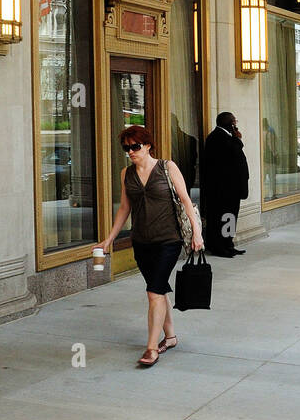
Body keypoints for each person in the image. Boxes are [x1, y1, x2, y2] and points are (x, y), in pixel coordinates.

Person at [98, 125, 203, 368]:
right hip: (141, 242)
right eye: (127, 148)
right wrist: (110, 238)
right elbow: (125, 208)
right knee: (159, 290)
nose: (131, 151)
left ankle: (151, 347)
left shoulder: (167, 167)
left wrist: (197, 233)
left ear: (147, 145)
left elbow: (186, 201)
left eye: (135, 146)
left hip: (168, 240)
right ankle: (172, 337)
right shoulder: (126, 174)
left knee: (153, 292)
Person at [201, 112, 249, 256]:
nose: (236, 124)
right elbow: (232, 154)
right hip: (222, 190)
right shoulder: (217, 138)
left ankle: (228, 243)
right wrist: (237, 137)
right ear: (230, 123)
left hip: (231, 189)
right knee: (219, 218)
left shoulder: (226, 137)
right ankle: (219, 246)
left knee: (230, 217)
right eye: (234, 121)